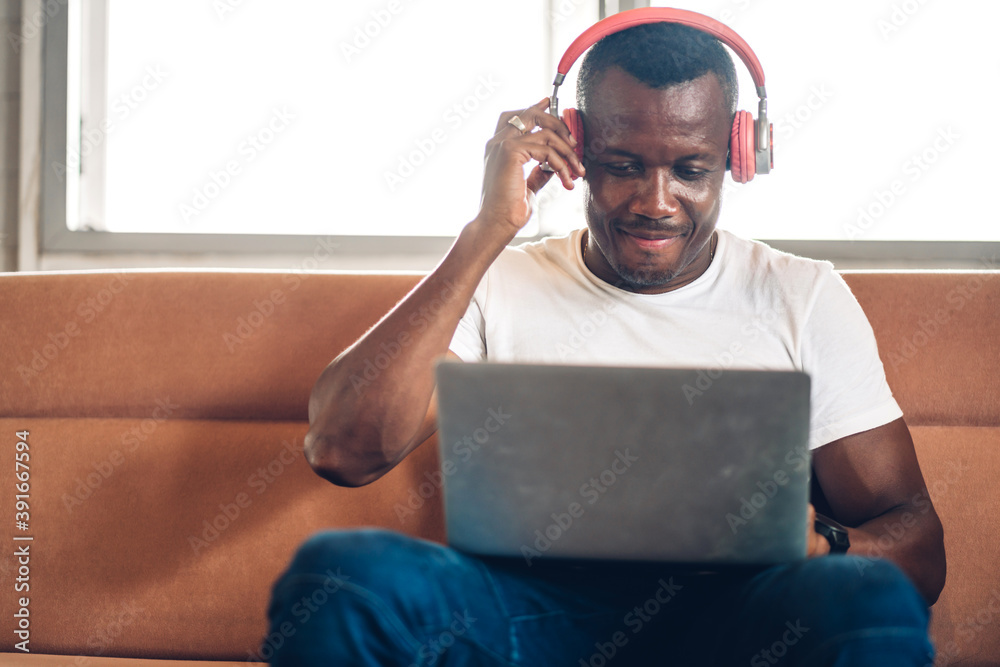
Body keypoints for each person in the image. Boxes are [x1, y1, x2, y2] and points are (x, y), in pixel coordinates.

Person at [266, 18, 945, 666]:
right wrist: (486, 229)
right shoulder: (499, 281)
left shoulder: (802, 295)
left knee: (868, 595)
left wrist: (823, 546)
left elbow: (918, 544)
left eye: (691, 169)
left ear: (738, 157)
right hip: (526, 620)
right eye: (622, 165)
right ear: (574, 150)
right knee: (343, 576)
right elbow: (343, 449)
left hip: (735, 622)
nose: (656, 200)